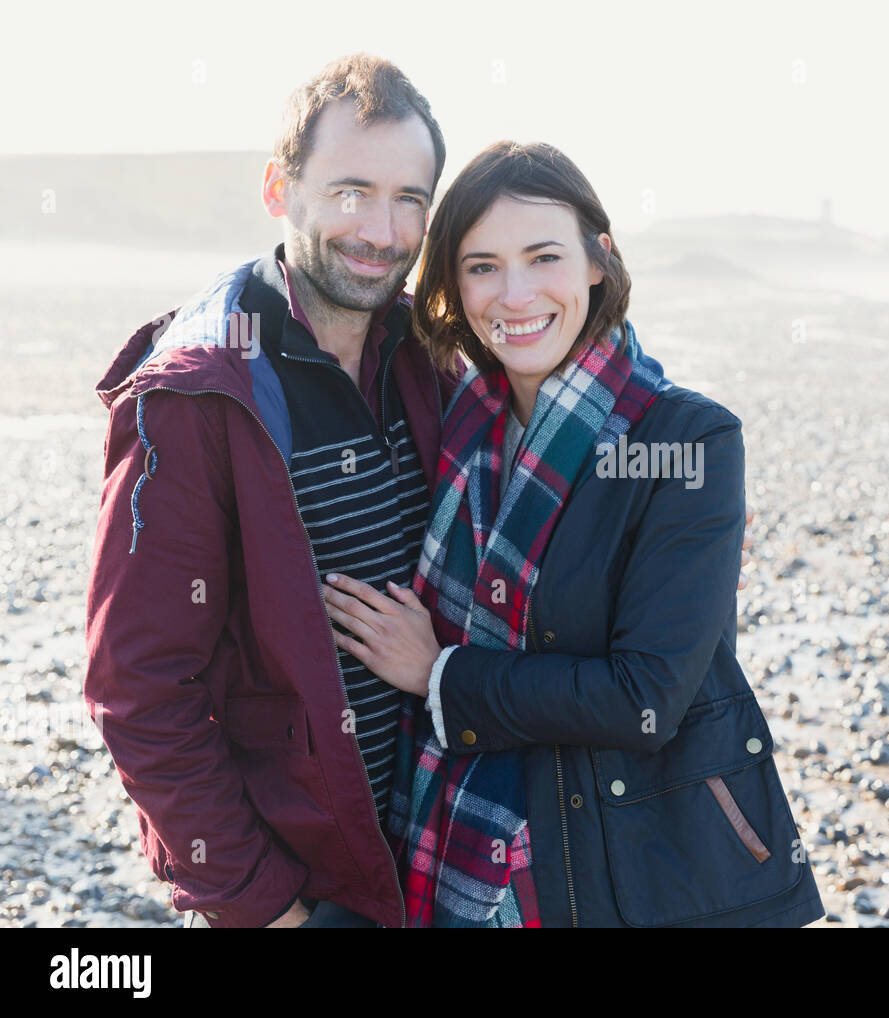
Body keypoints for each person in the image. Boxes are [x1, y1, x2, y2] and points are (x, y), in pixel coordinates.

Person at [321, 141, 825, 927]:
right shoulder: (456, 424)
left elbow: (645, 699)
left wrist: (442, 676)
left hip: (626, 870)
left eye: (543, 257)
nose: (514, 295)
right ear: (453, 285)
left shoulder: (689, 443)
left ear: (599, 260)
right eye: (482, 265)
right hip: (450, 844)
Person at [84, 54, 455, 928]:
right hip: (314, 884)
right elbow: (137, 687)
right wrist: (262, 906)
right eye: (350, 191)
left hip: (442, 852)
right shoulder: (195, 394)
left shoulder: (423, 354)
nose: (382, 229)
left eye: (410, 199)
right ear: (277, 189)